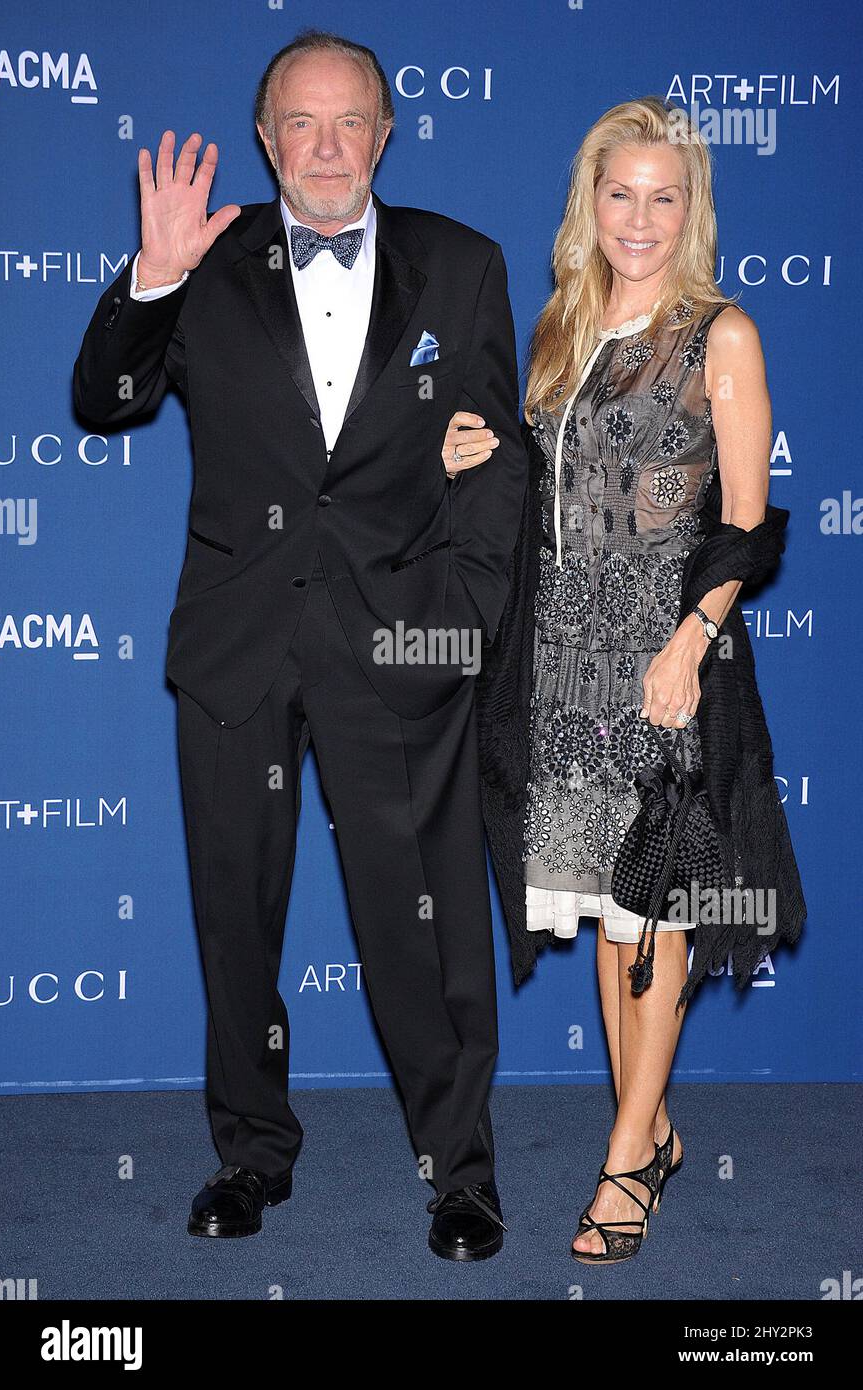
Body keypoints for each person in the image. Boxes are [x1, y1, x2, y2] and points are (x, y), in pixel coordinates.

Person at [72, 28, 527, 1261]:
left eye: (351, 122)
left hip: (402, 650)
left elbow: (501, 457)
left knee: (423, 929)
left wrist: (469, 613)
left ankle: (461, 1173)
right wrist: (151, 281)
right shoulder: (205, 266)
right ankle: (250, 1156)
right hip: (237, 650)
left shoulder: (460, 265)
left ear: (387, 132)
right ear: (266, 138)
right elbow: (101, 400)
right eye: (301, 124)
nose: (327, 148)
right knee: (236, 918)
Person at [472, 97, 806, 1263]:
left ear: (691, 209)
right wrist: (492, 446)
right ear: (589, 201)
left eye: (664, 196)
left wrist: (686, 642)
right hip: (559, 661)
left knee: (657, 908)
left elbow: (749, 528)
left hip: (664, 663)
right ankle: (651, 1127)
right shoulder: (562, 324)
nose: (640, 217)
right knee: (612, 925)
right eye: (620, 192)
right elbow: (560, 487)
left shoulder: (720, 332)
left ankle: (623, 1162)